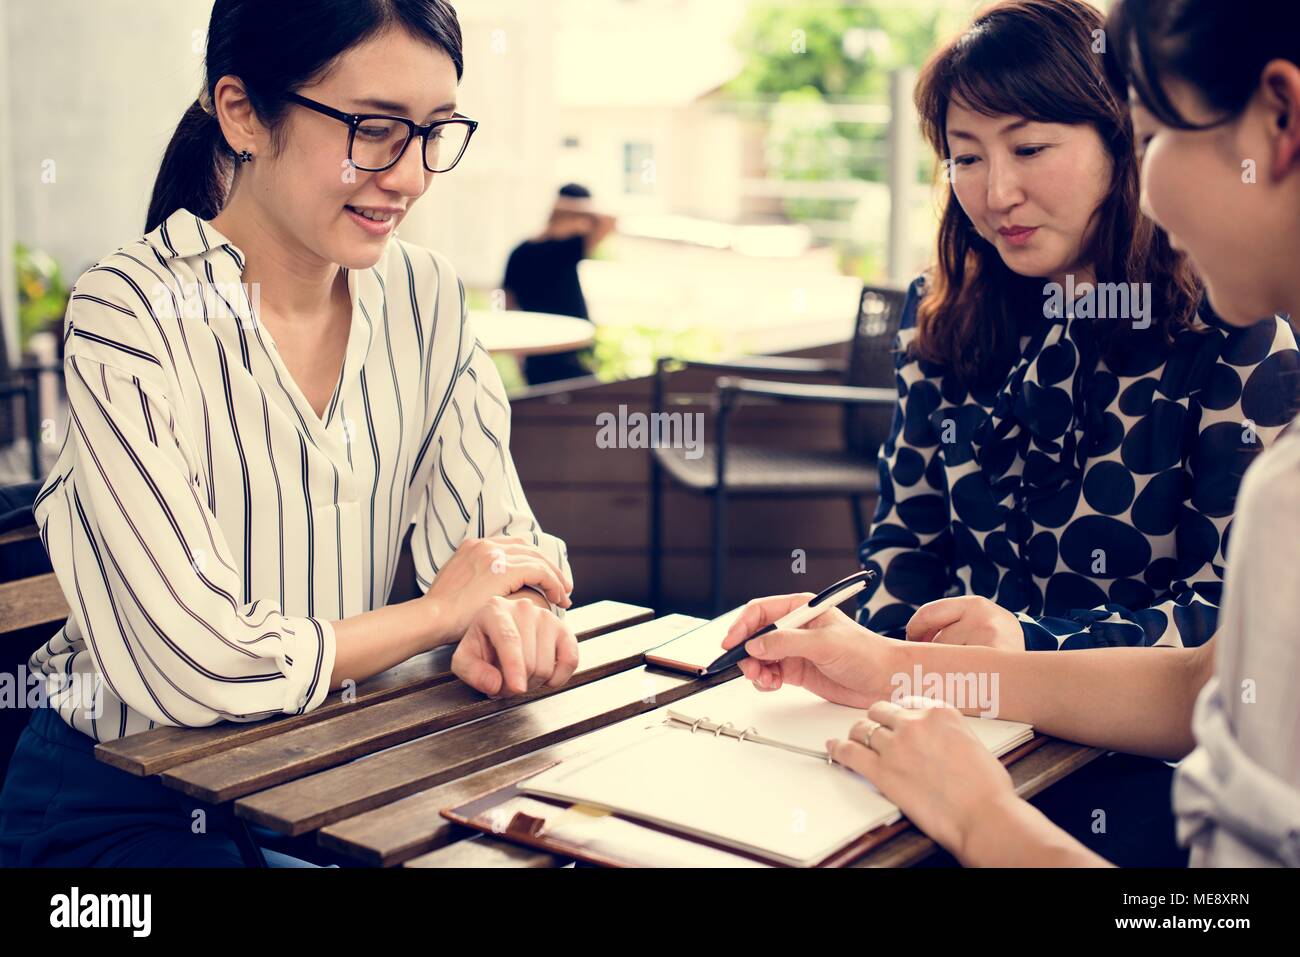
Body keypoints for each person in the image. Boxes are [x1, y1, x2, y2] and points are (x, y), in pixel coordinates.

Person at [723, 0, 1300, 868]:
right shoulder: (947, 325)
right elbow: (903, 561)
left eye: (1031, 148)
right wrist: (836, 632)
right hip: (947, 738)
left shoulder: (1233, 327)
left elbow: (1225, 657)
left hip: (1124, 773)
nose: (997, 193)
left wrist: (1025, 645)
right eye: (965, 158)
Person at [0, 0, 576, 868]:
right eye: (375, 129)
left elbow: (501, 549)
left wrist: (517, 613)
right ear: (241, 112)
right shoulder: (129, 311)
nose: (411, 176)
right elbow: (199, 661)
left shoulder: (424, 297)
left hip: (334, 777)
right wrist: (437, 613)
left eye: (435, 133)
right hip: (124, 802)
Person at [502, 184, 616, 385]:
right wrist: (516, 352)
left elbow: (610, 220)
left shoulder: (572, 247)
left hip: (577, 348)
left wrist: (570, 207)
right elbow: (507, 301)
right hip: (539, 348)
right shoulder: (522, 252)